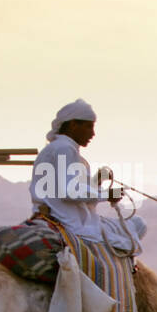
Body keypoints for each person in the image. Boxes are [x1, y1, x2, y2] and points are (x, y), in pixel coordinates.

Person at [29, 99, 146, 253]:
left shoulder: (60, 148)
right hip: (69, 221)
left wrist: (97, 181)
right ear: (73, 125)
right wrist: (107, 195)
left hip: (65, 216)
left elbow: (70, 188)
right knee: (137, 226)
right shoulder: (64, 148)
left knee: (134, 225)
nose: (93, 133)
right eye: (89, 126)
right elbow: (68, 192)